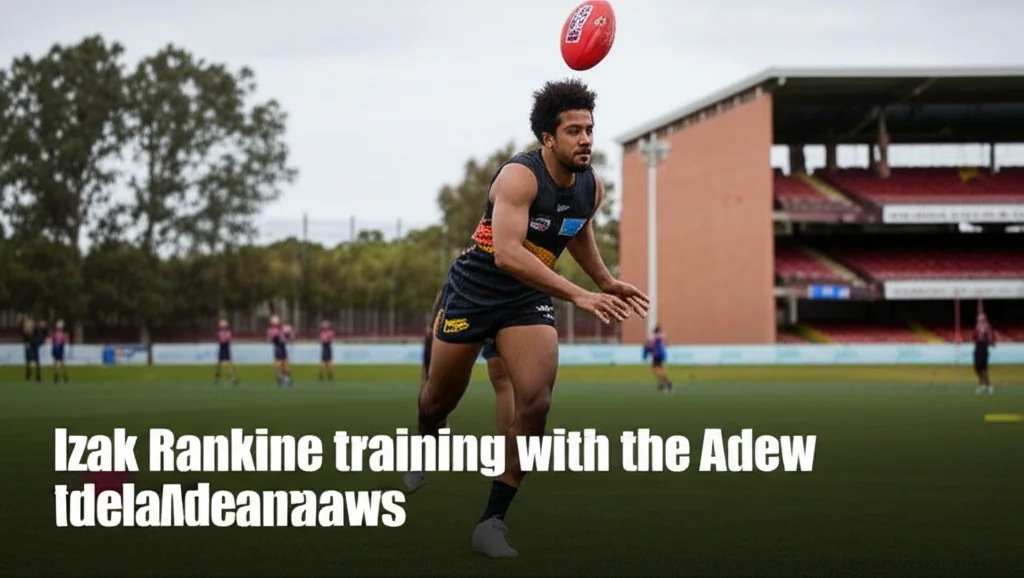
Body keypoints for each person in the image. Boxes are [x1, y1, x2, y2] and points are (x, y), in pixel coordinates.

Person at [403, 78, 649, 558]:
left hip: (527, 299)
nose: (586, 140)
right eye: (574, 130)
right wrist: (580, 295)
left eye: (590, 130)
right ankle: (425, 440)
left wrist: (605, 281)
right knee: (438, 399)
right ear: (548, 139)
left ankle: (491, 521)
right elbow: (508, 255)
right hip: (475, 290)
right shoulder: (519, 177)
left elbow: (574, 230)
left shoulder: (591, 186)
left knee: (535, 402)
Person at [420, 291, 515, 440]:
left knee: (503, 377)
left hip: (498, 295)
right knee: (438, 393)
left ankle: (513, 450)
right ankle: (431, 424)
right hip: (473, 294)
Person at [643, 325, 673, 393]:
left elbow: (650, 344)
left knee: (656, 368)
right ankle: (664, 383)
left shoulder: (656, 337)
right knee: (660, 368)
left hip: (657, 354)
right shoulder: (662, 336)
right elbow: (666, 344)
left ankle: (665, 383)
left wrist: (646, 351)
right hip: (661, 354)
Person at [973, 312, 996, 394]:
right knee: (976, 367)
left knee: (984, 368)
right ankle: (983, 383)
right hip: (977, 347)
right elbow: (974, 337)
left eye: (980, 318)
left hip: (984, 346)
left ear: (984, 319)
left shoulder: (987, 326)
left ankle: (987, 385)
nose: (979, 319)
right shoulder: (977, 326)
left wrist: (992, 342)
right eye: (978, 318)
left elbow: (991, 336)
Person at [268, 315, 293, 387]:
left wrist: (288, 334)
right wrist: (287, 334)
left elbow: (286, 336)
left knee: (283, 362)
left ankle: (284, 377)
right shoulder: (274, 330)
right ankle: (282, 377)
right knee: (281, 363)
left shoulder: (278, 329)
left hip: (281, 347)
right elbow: (276, 338)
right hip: (279, 347)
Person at [215, 319, 239, 385]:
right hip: (222, 349)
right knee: (218, 365)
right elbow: (220, 340)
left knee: (230, 364)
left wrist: (226, 339)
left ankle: (233, 377)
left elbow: (228, 340)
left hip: (226, 349)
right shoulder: (219, 333)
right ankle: (217, 378)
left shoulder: (228, 333)